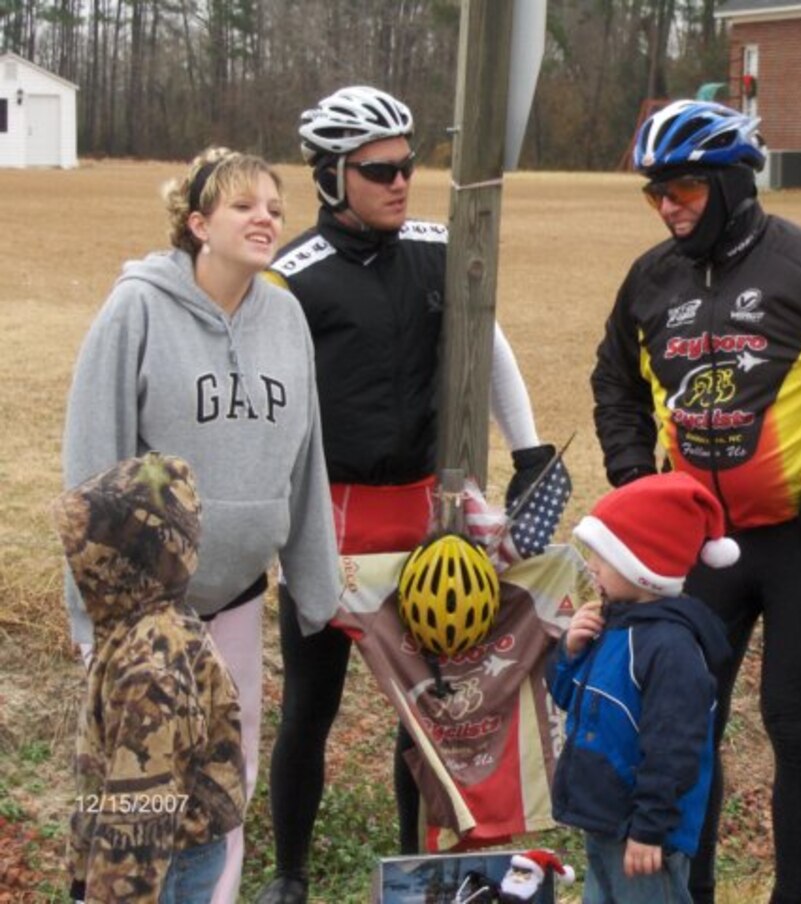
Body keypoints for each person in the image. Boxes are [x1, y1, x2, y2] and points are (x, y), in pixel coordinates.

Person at [591, 99, 801, 903]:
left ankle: (792, 897)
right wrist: (638, 482)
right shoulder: (649, 280)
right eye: (655, 193)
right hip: (698, 547)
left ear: (735, 183)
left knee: (794, 726)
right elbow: (615, 384)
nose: (668, 208)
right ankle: (691, 892)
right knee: (688, 724)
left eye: (686, 190)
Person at [258, 85, 556, 904]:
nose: (401, 182)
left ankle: (412, 864)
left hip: (424, 517)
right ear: (330, 178)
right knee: (309, 709)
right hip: (331, 523)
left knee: (424, 713)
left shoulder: (436, 244)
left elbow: (486, 342)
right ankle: (290, 873)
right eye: (380, 169)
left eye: (408, 166)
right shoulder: (290, 279)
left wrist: (527, 450)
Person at [61, 147, 343, 903]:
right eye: (245, 206)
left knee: (227, 771)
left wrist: (320, 584)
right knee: (138, 783)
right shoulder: (137, 309)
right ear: (197, 223)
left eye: (276, 209)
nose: (267, 219)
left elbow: (306, 453)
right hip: (145, 615)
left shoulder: (285, 316)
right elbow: (92, 460)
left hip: (240, 595)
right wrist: (92, 612)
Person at [52, 453, 245, 904]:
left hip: (163, 865)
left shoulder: (150, 667)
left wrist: (108, 891)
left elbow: (141, 815)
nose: (78, 564)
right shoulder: (146, 623)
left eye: (89, 551)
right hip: (171, 852)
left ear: (127, 563)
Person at [548, 472, 736, 904]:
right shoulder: (614, 625)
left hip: (644, 835)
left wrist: (650, 829)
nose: (590, 566)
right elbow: (568, 697)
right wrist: (569, 651)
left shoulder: (671, 650)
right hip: (604, 819)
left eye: (603, 556)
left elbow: (674, 749)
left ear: (643, 567)